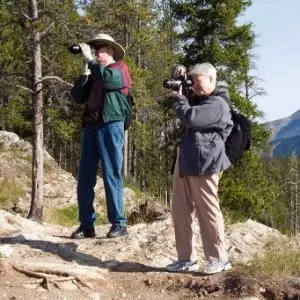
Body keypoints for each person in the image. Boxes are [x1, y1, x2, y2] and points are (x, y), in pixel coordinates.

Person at [166, 63, 233, 274]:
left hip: (206, 163)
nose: (193, 84)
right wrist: (179, 74)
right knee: (180, 210)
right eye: (191, 80)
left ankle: (218, 258)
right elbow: (189, 104)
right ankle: (186, 258)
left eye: (197, 80)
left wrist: (179, 100)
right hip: (187, 160)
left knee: (208, 212)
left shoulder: (218, 103)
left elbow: (192, 118)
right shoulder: (200, 98)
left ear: (212, 79)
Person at [70, 33, 132, 239]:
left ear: (112, 51)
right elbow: (77, 96)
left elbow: (108, 81)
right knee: (85, 179)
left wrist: (90, 62)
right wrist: (85, 74)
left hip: (111, 125)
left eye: (101, 50)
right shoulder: (96, 72)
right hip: (91, 127)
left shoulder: (119, 69)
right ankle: (87, 225)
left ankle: (119, 223)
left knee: (111, 174)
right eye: (95, 50)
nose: (96, 53)